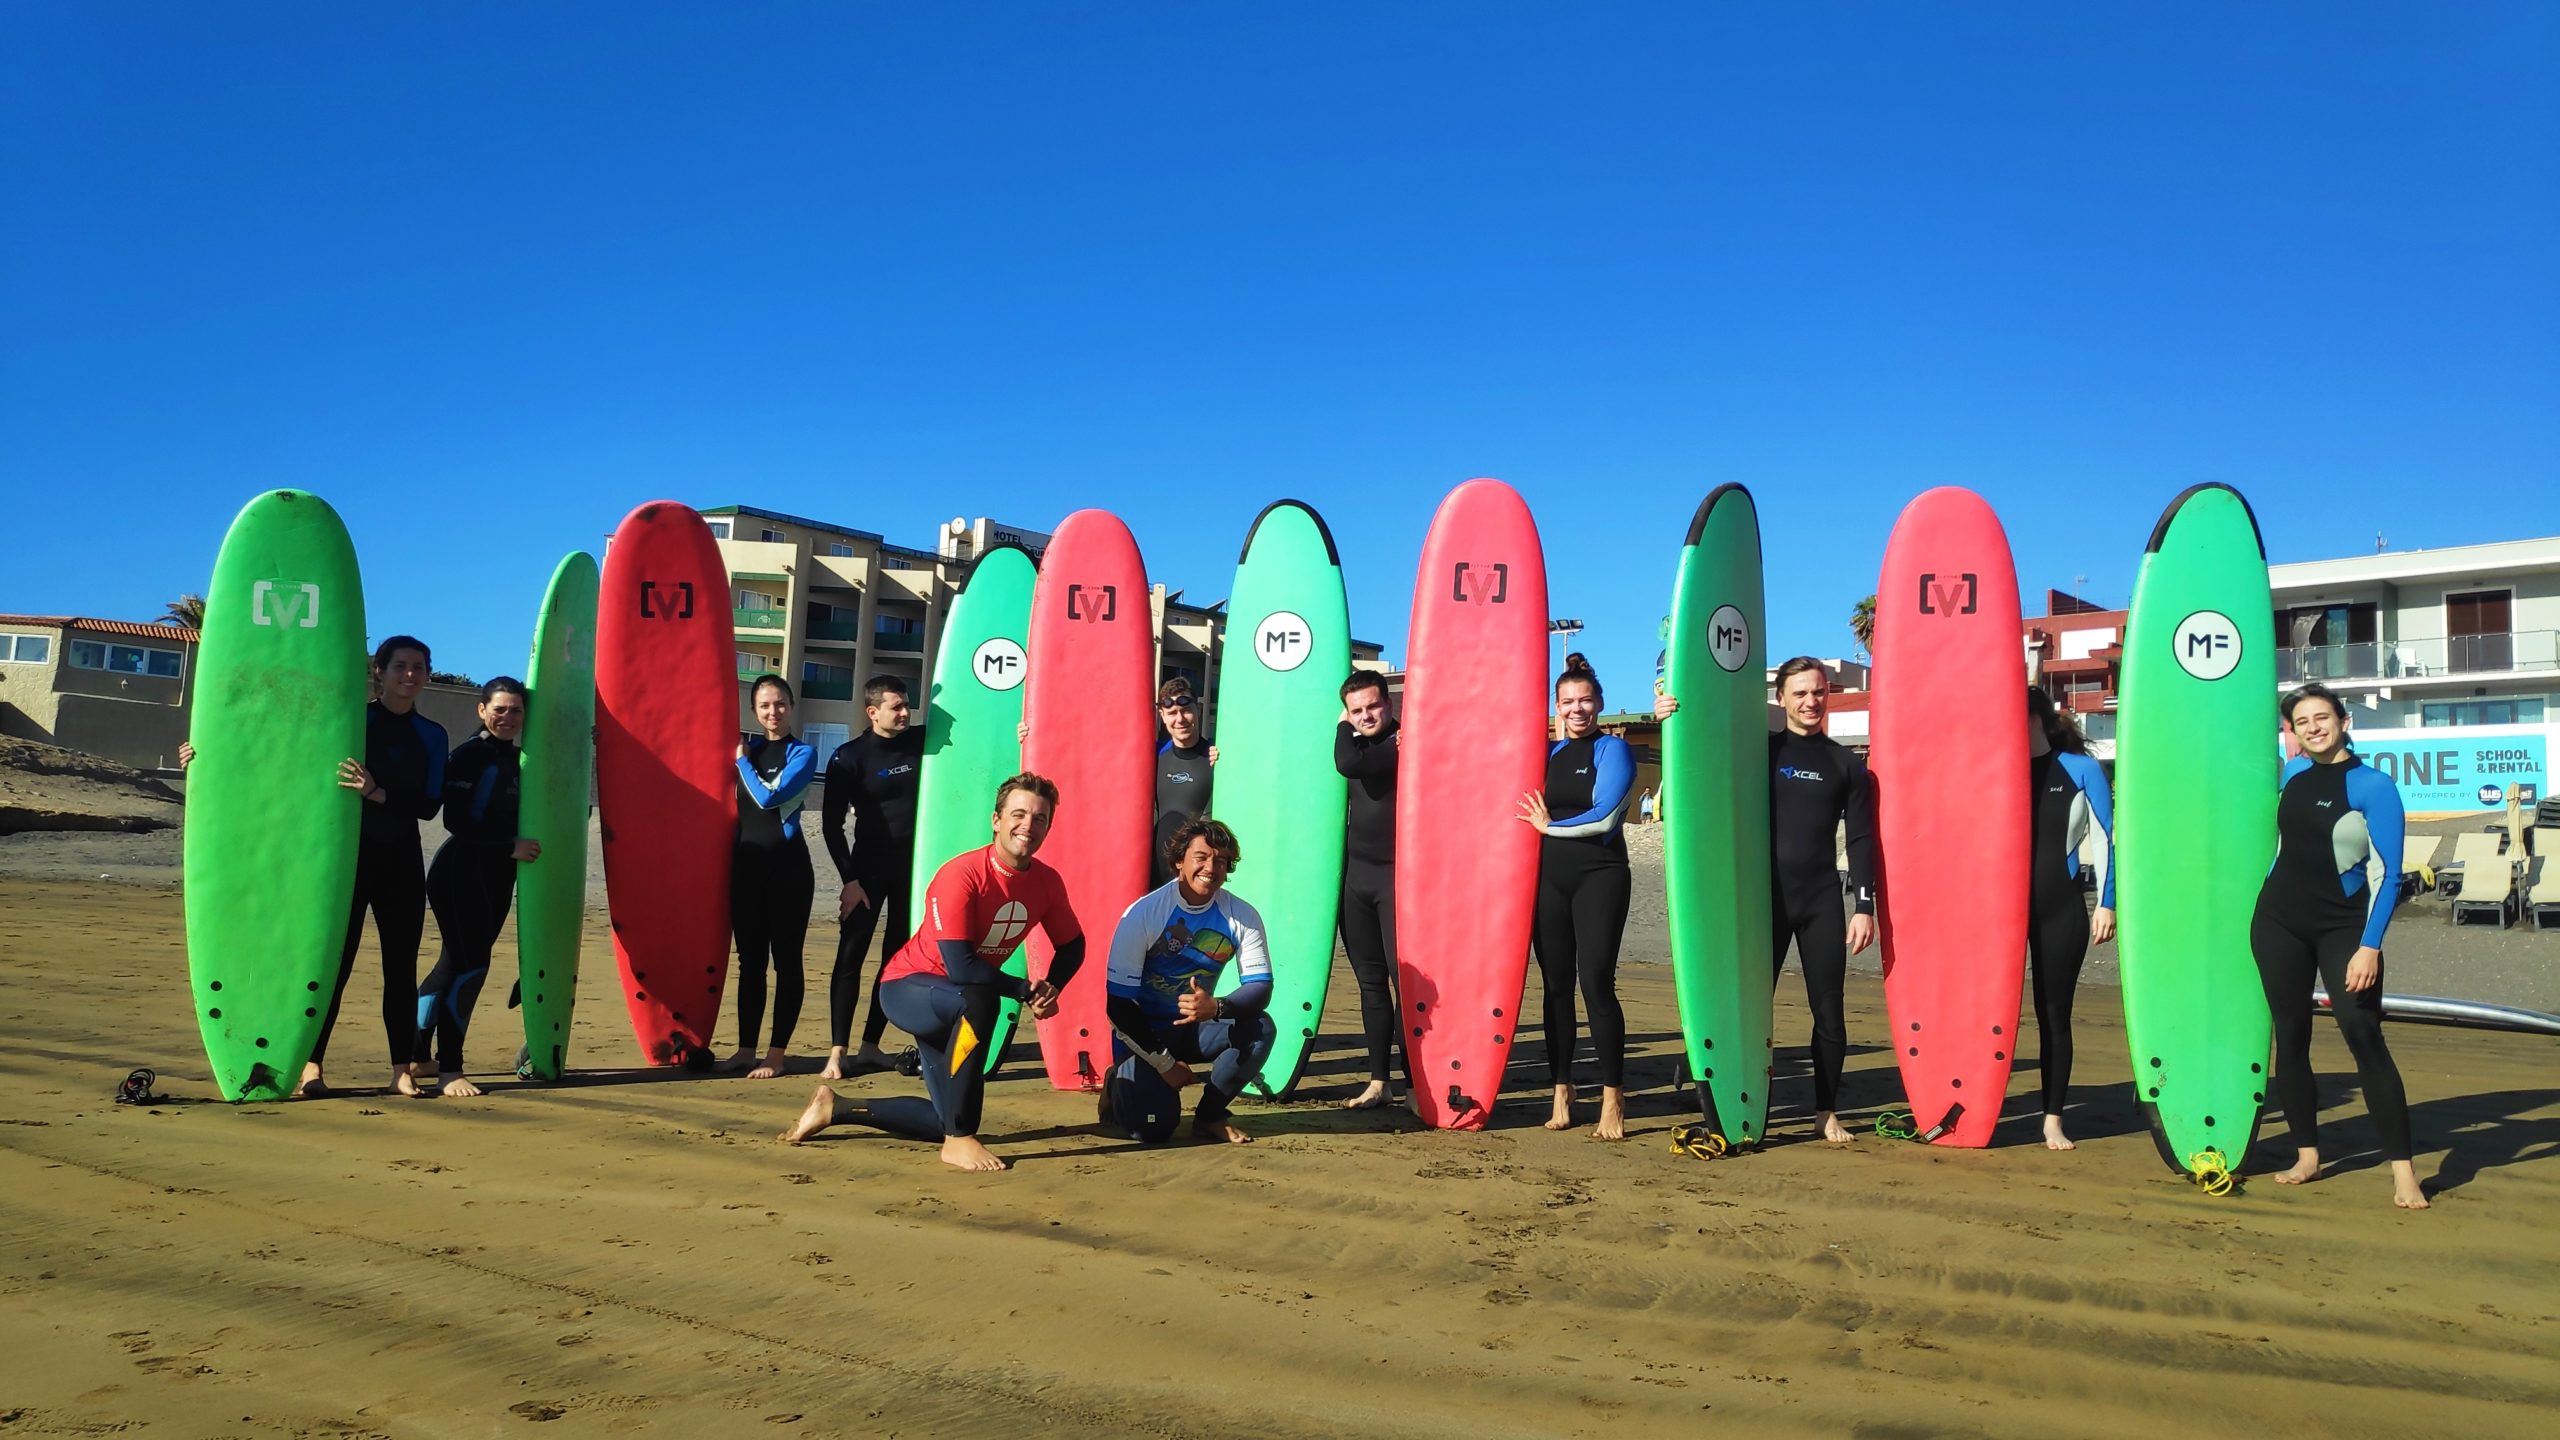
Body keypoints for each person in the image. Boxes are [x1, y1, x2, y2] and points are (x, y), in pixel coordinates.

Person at [179, 635, 445, 1098]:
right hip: (339, 861)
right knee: (330, 966)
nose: (410, 675)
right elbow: (282, 759)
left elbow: (428, 805)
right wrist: (205, 758)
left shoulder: (432, 735)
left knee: (400, 968)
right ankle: (310, 1066)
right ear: (377, 672)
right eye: (400, 665)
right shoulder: (347, 722)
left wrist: (376, 792)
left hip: (400, 861)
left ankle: (401, 1068)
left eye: (419, 667)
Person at [781, 774, 1084, 1172]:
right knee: (980, 999)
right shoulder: (962, 874)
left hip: (957, 1001)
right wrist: (1026, 990)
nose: (1028, 825)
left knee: (948, 1116)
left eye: (1040, 818)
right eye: (1019, 814)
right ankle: (959, 1142)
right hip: (908, 990)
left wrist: (1051, 990)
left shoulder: (1046, 882)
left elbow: (1073, 945)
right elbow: (961, 966)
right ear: (996, 820)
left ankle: (836, 1108)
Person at [1654, 655, 1875, 1143]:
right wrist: (1670, 715)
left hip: (1819, 900)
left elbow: (1860, 840)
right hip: (1760, 901)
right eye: (1799, 693)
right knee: (1742, 1004)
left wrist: (1864, 906)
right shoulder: (1760, 751)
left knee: (1830, 1010)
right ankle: (1726, 1090)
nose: (1810, 701)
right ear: (1781, 700)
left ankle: (1825, 1111)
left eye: (1817, 692)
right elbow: (1702, 754)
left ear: (1827, 694)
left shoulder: (1846, 765)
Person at [2254, 684, 2425, 1209]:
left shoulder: (2373, 785)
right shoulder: (2292, 774)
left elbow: (2392, 874)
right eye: (2301, 721)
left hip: (2343, 929)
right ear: (2292, 731)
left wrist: (2369, 947)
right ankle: (2308, 1154)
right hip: (2278, 922)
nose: (2312, 727)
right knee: (2290, 1036)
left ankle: (2403, 1171)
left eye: (2321, 717)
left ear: (2344, 720)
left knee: (2362, 1032)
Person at [1518, 656, 1638, 1140]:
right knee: (1554, 987)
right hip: (1549, 880)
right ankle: (1561, 1089)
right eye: (1567, 702)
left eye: (1585, 700)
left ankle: (1613, 1098)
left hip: (1600, 877)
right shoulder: (1545, 752)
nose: (1577, 709)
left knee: (1595, 983)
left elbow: (1607, 818)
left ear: (1600, 703)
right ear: (1556, 707)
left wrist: (1548, 827)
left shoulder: (1613, 750)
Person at [1100, 817, 1276, 1145]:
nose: (1211, 867)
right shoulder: (1142, 915)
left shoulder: (1242, 915)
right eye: (1202, 857)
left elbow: (1260, 988)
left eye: (1221, 860)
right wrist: (1164, 1064)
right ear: (1179, 861)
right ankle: (1117, 1077)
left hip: (1194, 1029)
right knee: (1151, 1130)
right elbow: (1118, 1006)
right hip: (1142, 1035)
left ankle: (1210, 1116)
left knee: (1260, 1028)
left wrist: (1218, 1006)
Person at [412, 678, 537, 1098]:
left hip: (496, 875)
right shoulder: (470, 756)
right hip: (461, 872)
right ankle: (450, 1069)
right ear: (481, 710)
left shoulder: (520, 760)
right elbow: (456, 823)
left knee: (452, 964)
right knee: (471, 966)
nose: (507, 717)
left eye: (515, 710)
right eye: (499, 709)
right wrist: (509, 847)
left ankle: (418, 1055)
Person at [820, 674, 925, 1080]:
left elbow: (975, 733)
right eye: (896, 706)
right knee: (850, 957)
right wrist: (849, 879)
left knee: (894, 960)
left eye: (906, 706)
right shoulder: (848, 757)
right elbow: (831, 827)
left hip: (910, 873)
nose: (904, 713)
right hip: (866, 872)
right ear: (872, 711)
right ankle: (837, 1052)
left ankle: (870, 1046)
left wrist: (1021, 732)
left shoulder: (921, 741)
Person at [2025, 684, 2115, 1150]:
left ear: (2035, 719)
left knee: (2053, 1015)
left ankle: (2053, 1118)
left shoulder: (2080, 769)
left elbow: (2104, 838)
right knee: (1984, 1013)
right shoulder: (2002, 769)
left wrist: (2107, 902)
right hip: (2003, 912)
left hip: (2060, 908)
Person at [728, 676, 816, 1080]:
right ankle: (746, 1049)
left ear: (791, 706)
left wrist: (742, 761)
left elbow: (769, 797)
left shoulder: (804, 752)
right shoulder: (751, 749)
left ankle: (776, 1055)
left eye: (779, 704)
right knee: (750, 963)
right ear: (754, 710)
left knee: (787, 963)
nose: (772, 712)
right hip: (746, 870)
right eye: (764, 706)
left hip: (788, 872)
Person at [1334, 668, 1404, 1110]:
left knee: (1406, 985)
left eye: (1373, 706)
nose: (1366, 716)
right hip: (1356, 881)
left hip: (1398, 880)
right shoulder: (1359, 741)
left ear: (1389, 704)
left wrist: (1341, 723)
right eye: (1356, 710)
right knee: (1371, 985)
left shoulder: (1400, 743)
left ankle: (1417, 1080)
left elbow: (1348, 764)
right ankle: (1380, 1081)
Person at [1152, 678, 1216, 886]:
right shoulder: (1152, 756)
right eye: (1171, 713)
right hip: (1156, 877)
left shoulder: (1216, 758)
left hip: (1200, 878)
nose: (1179, 719)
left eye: (1185, 710)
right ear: (1162, 716)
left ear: (1197, 709)